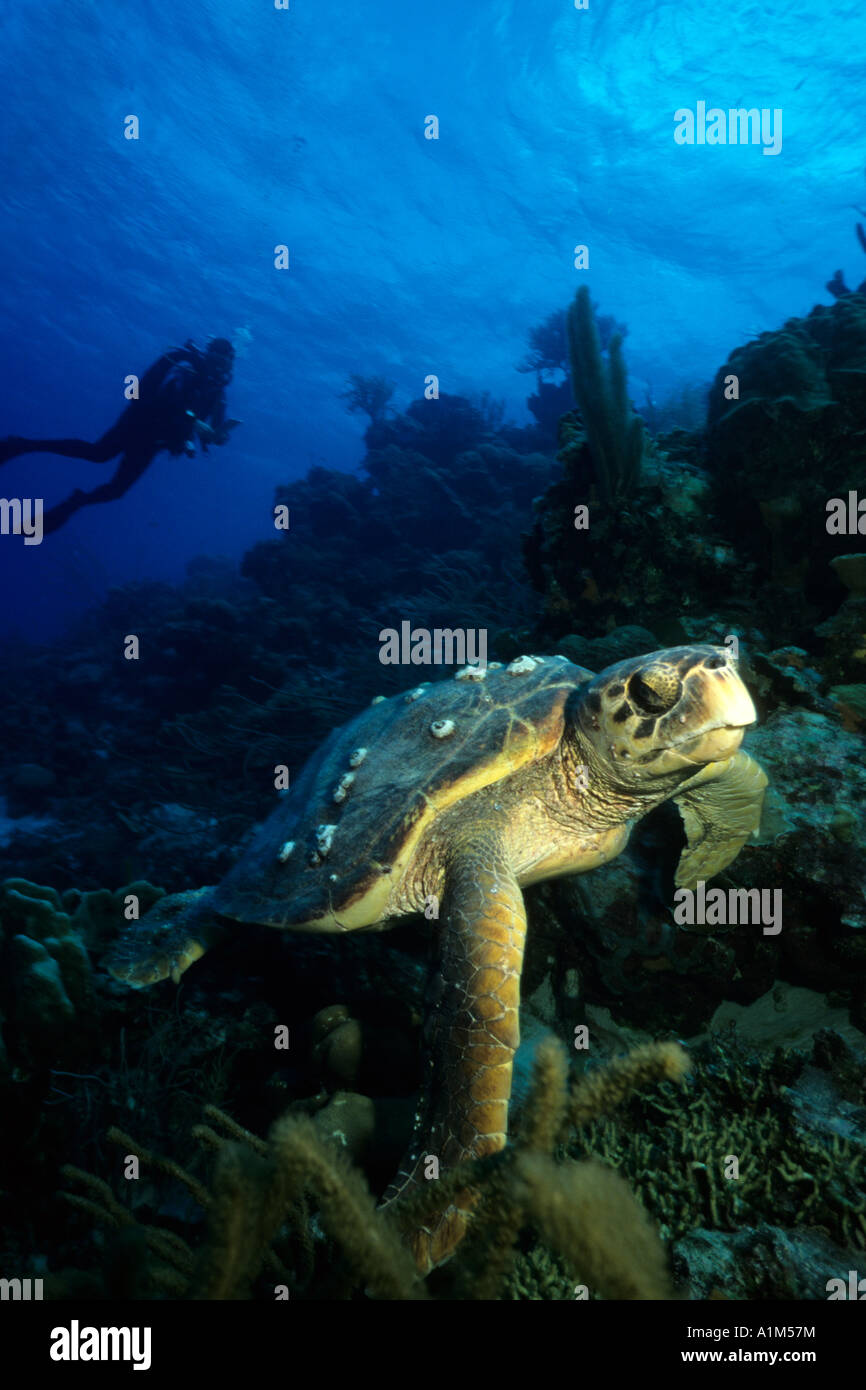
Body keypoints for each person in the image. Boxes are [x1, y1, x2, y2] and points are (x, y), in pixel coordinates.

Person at [0, 337, 240, 534]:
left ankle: (73, 503)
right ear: (208, 356)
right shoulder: (186, 368)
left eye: (226, 364)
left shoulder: (218, 394)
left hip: (156, 442)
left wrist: (219, 437)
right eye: (217, 360)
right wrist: (192, 420)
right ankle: (21, 445)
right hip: (138, 423)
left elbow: (215, 430)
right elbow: (164, 397)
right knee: (98, 454)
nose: (220, 368)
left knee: (116, 490)